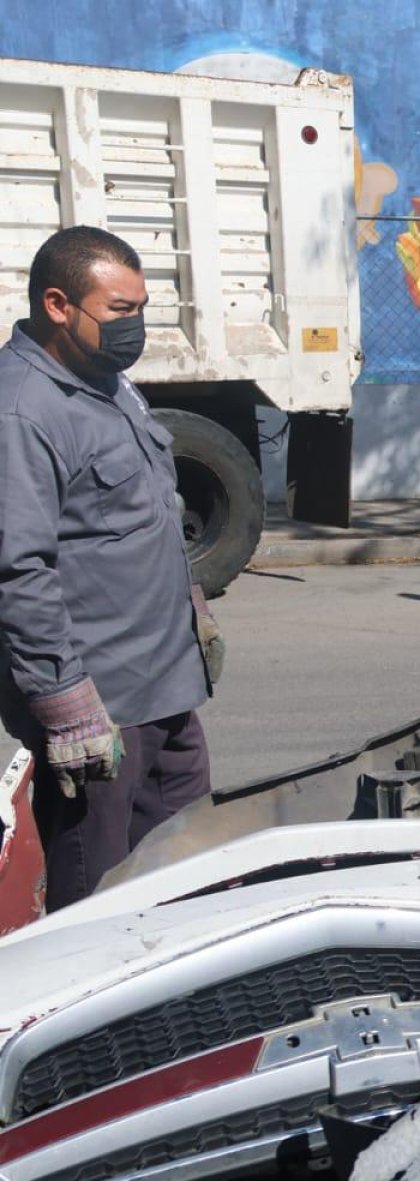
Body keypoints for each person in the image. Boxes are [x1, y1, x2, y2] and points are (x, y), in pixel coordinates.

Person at [0, 226, 222, 910]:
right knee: (96, 889)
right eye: (120, 310)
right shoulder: (21, 411)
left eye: (141, 307)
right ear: (59, 305)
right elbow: (18, 571)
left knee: (185, 863)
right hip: (98, 711)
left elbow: (146, 507)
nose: (137, 327)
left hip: (165, 687)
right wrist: (67, 709)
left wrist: (194, 612)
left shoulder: (107, 383)